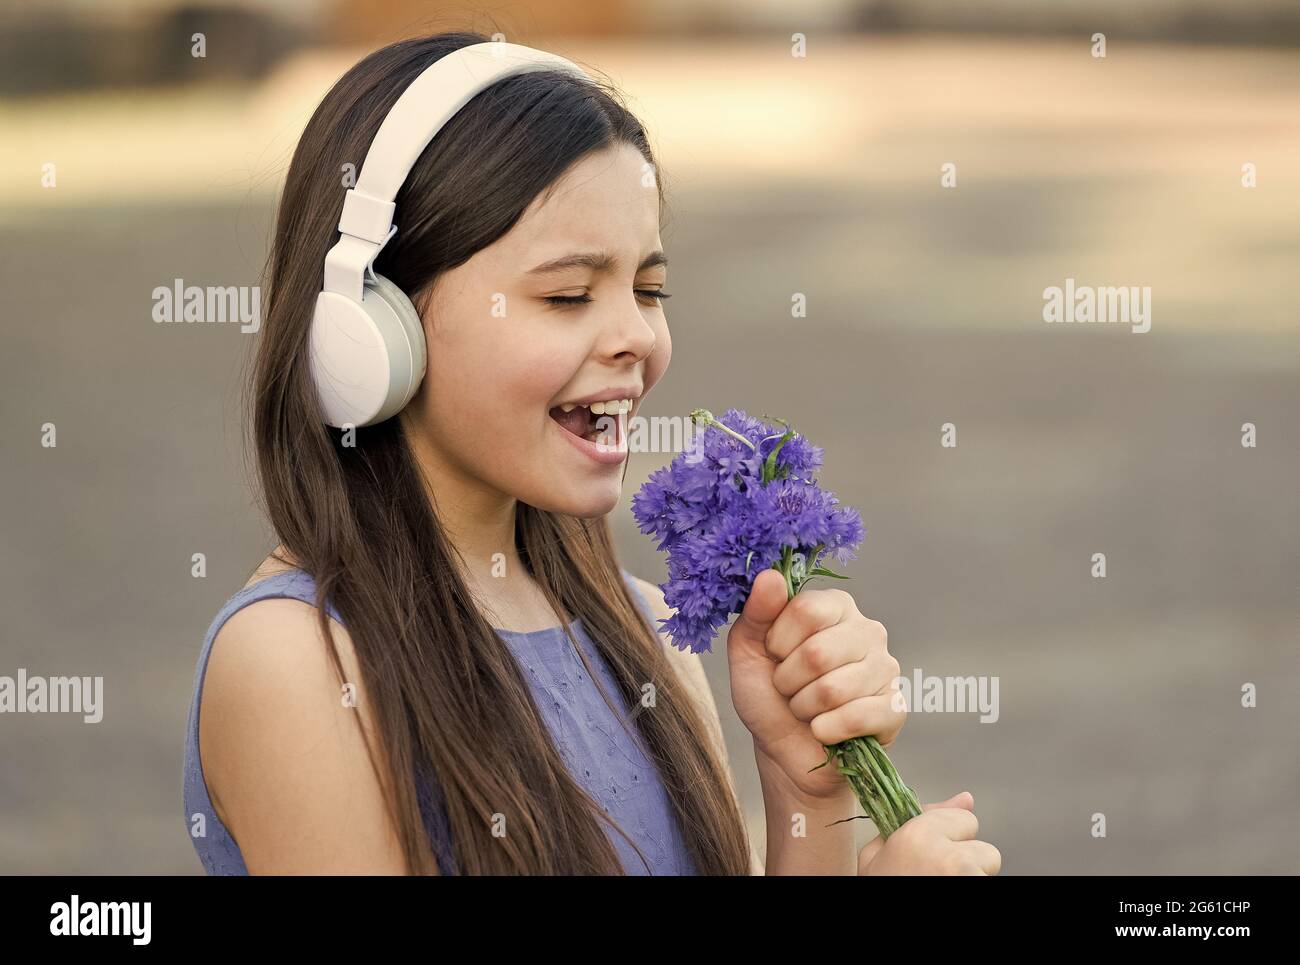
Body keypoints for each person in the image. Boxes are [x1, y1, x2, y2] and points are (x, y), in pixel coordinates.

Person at [181, 30, 1000, 876]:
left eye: (649, 289)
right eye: (569, 295)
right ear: (371, 328)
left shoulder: (648, 638)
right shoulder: (297, 660)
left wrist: (806, 788)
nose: (636, 336)